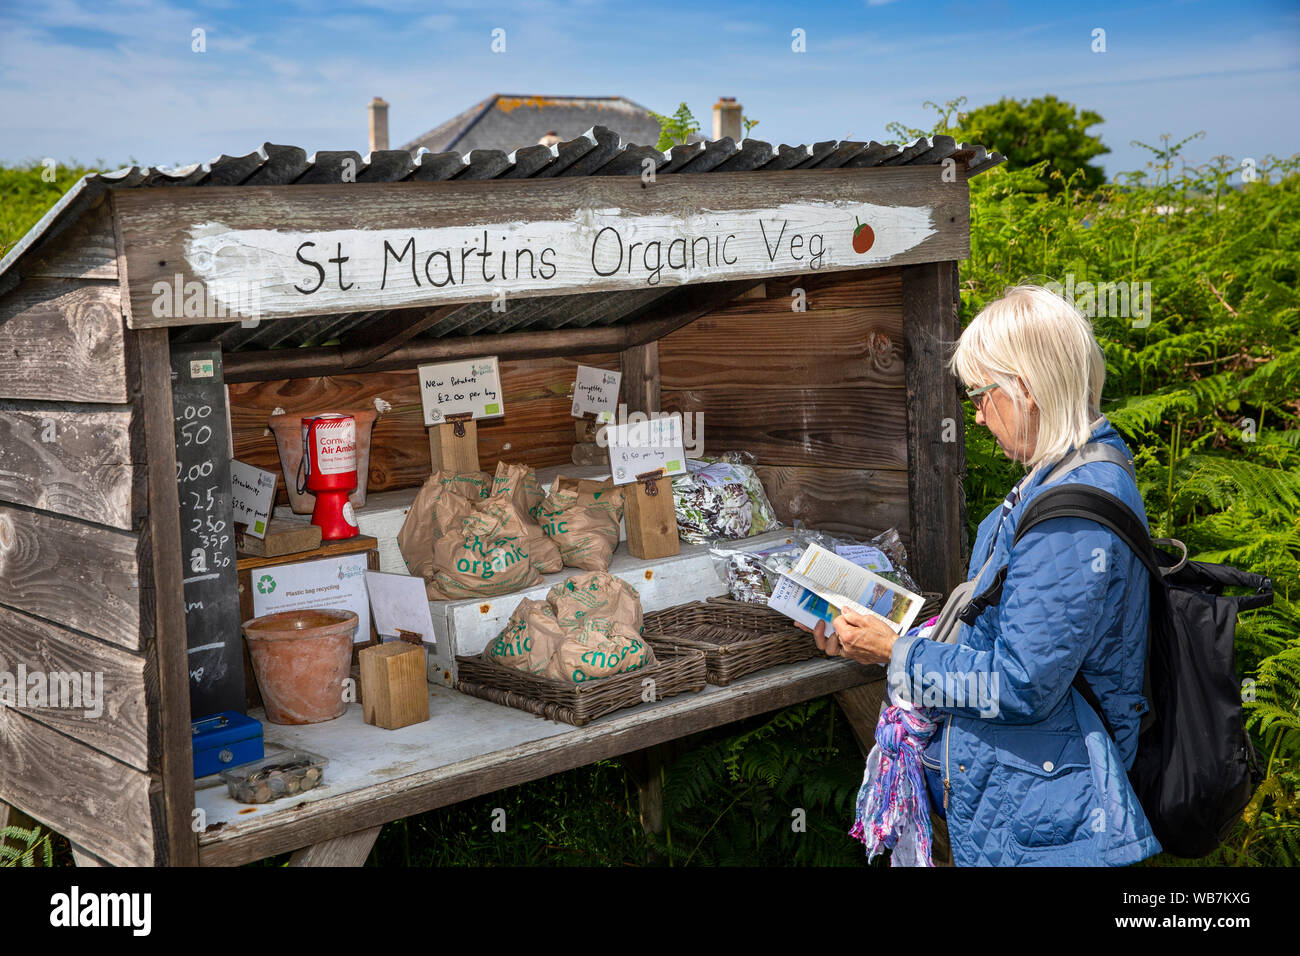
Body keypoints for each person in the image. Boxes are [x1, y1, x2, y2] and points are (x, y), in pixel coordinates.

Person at [805, 285, 1160, 865]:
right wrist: (893, 636)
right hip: (1034, 794)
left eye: (981, 394)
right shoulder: (1071, 471)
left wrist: (896, 654)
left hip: (1048, 817)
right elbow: (1009, 628)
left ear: (1026, 388)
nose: (975, 413)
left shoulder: (1070, 518)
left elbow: (1020, 685)